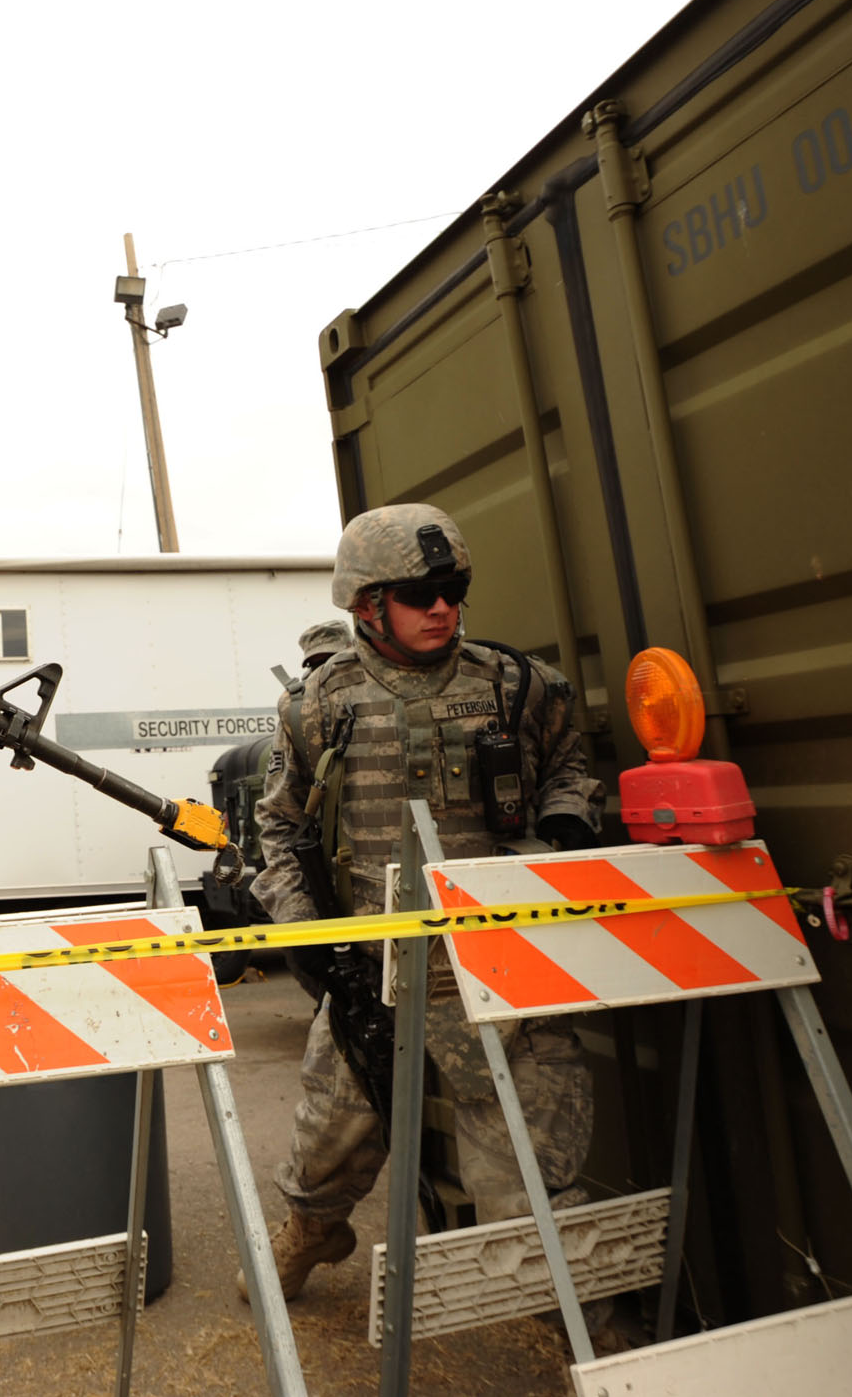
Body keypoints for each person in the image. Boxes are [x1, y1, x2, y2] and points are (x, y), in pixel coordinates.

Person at [239, 503, 602, 1301]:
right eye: (419, 593)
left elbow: (569, 766)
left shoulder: (519, 686)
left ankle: (588, 1326)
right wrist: (310, 940)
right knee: (327, 1145)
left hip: (498, 962)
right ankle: (310, 1234)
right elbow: (278, 826)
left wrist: (565, 818)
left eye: (454, 589)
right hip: (373, 966)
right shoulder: (319, 706)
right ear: (368, 606)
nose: (443, 608)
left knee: (531, 1168)